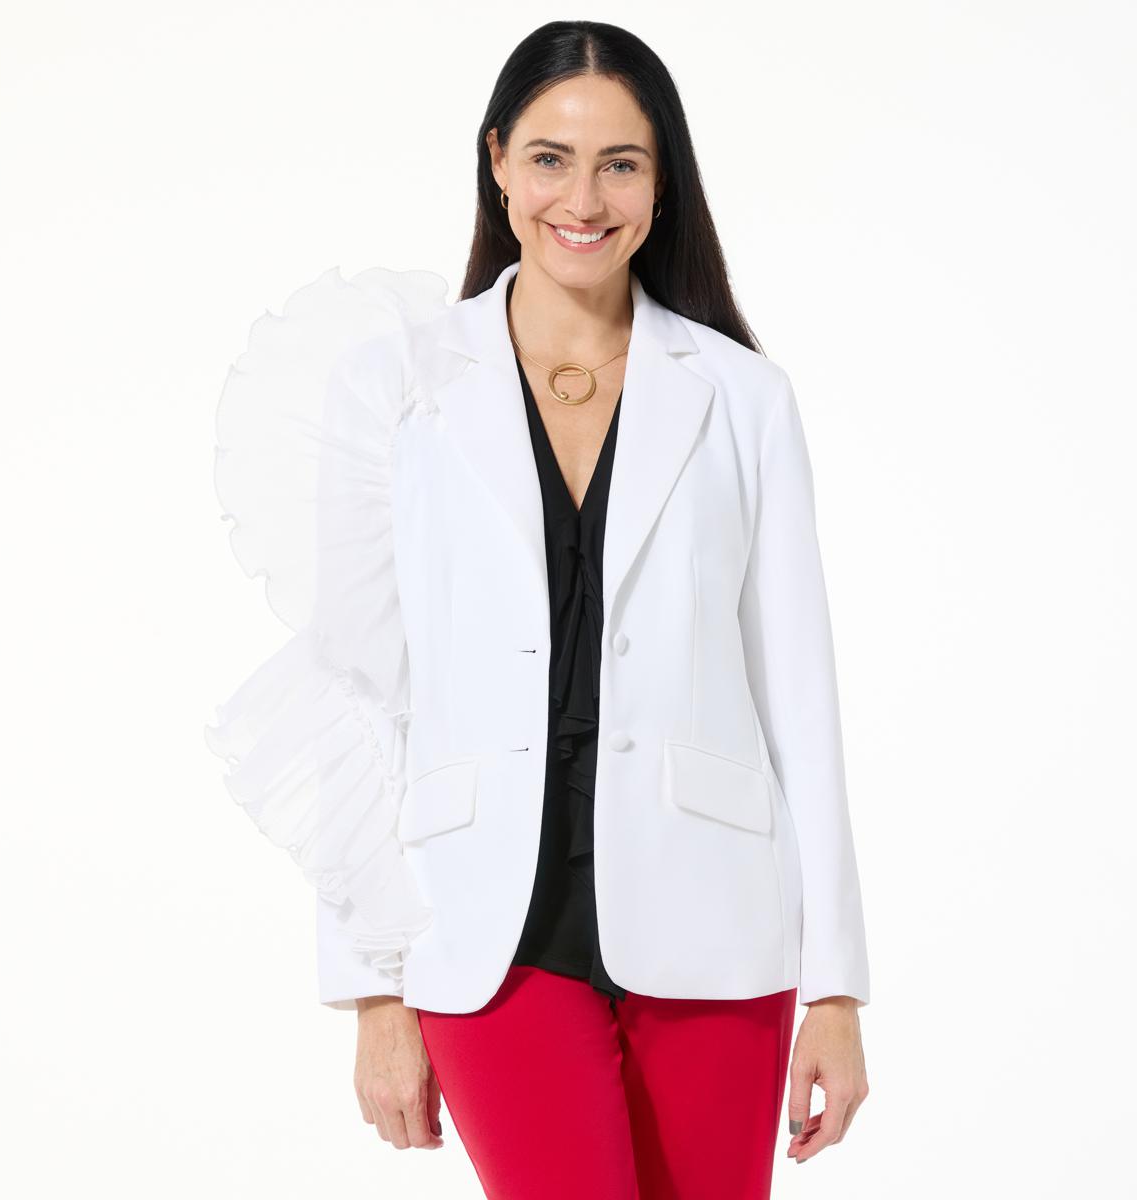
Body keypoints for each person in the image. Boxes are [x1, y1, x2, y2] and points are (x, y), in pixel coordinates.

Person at [206, 19, 870, 1199]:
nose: (585, 198)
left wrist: (836, 988)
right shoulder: (398, 387)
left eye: (622, 163)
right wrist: (371, 991)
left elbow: (800, 701)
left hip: (715, 931)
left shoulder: (742, 397)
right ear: (498, 162)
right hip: (482, 933)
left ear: (662, 184)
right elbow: (358, 689)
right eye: (552, 159)